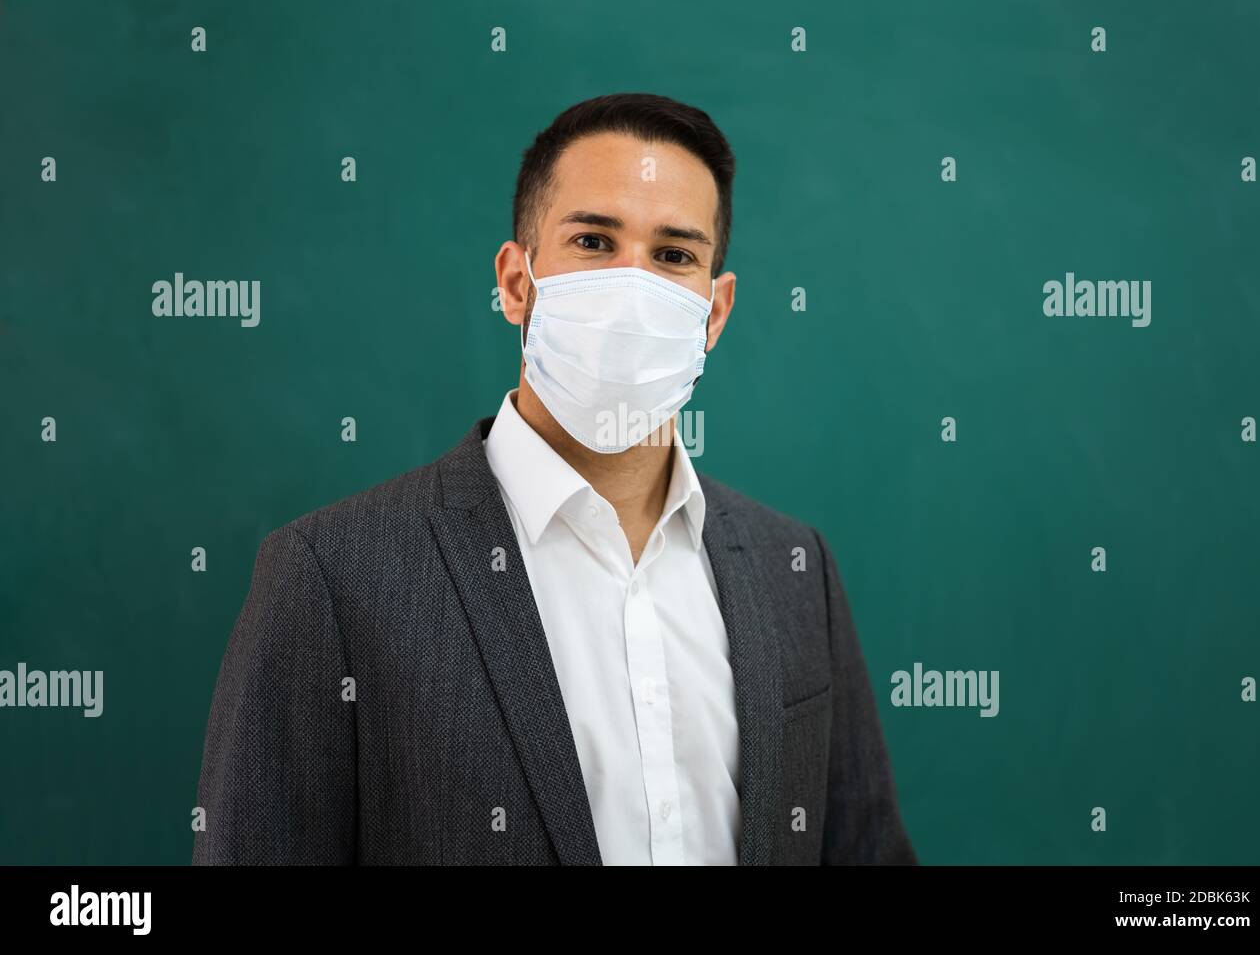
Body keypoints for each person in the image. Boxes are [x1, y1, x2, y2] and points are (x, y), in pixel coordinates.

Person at [193, 92, 915, 866]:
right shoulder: (334, 577)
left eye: (674, 255)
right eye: (595, 241)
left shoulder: (794, 571)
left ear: (713, 312)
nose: (633, 288)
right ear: (516, 282)